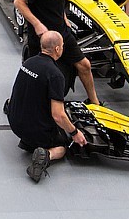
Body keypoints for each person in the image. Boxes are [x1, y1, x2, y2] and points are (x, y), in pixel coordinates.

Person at [13, 0, 101, 105]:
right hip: (43, 37)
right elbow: (19, 2)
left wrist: (64, 18)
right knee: (40, 74)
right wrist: (37, 24)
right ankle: (35, 104)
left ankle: (95, 102)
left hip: (62, 33)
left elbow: (58, 2)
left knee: (84, 65)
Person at [6, 31, 88, 183]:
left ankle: (29, 142)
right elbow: (58, 115)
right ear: (57, 49)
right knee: (64, 145)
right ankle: (46, 154)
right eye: (62, 45)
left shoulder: (28, 63)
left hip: (15, 122)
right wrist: (75, 133)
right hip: (35, 130)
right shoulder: (55, 75)